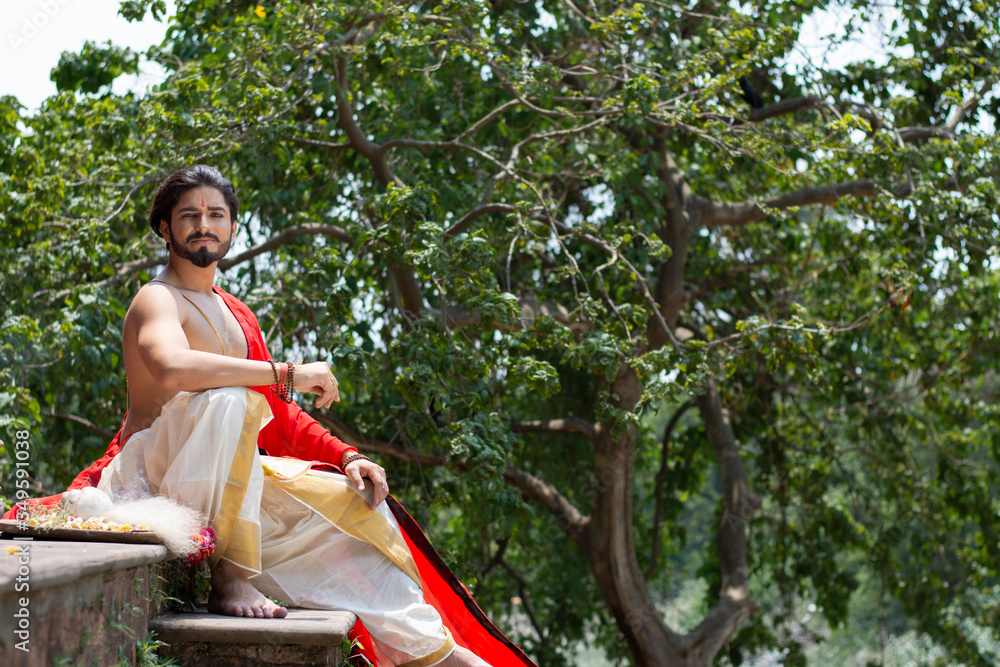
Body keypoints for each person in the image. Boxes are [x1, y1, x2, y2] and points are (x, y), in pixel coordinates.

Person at [10, 165, 536, 667]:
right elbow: (171, 368)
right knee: (231, 397)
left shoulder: (237, 313)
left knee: (353, 508)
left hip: (221, 486)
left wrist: (347, 455)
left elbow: (280, 420)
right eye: (189, 215)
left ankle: (432, 652)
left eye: (216, 215)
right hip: (151, 480)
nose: (203, 225)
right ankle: (230, 576)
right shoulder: (156, 299)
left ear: (233, 228)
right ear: (166, 227)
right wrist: (283, 371)